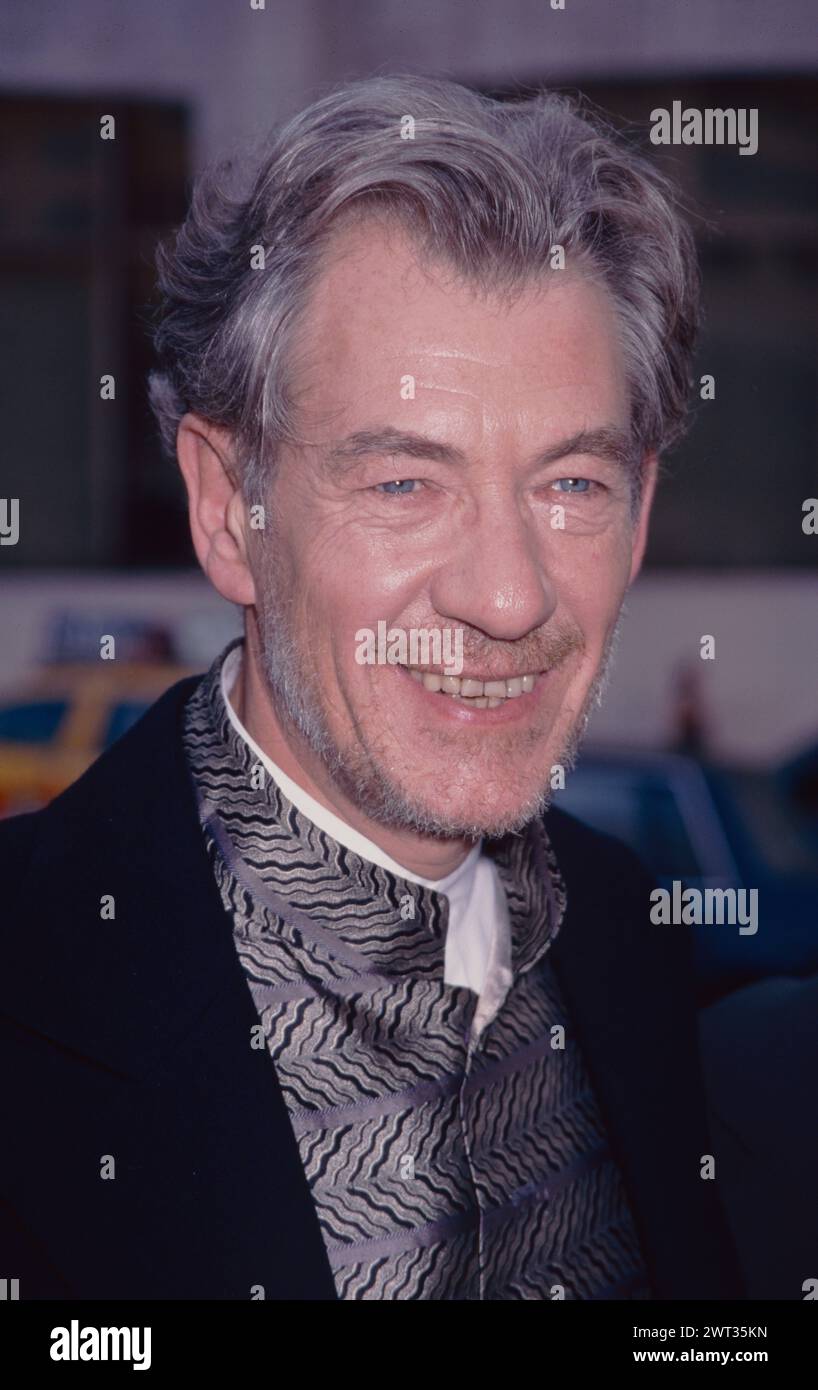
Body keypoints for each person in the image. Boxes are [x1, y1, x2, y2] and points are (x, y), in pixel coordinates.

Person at [0, 74, 742, 1300]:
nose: (505, 598)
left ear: (640, 511)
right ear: (223, 510)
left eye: (570, 486)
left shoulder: (634, 951)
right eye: (403, 483)